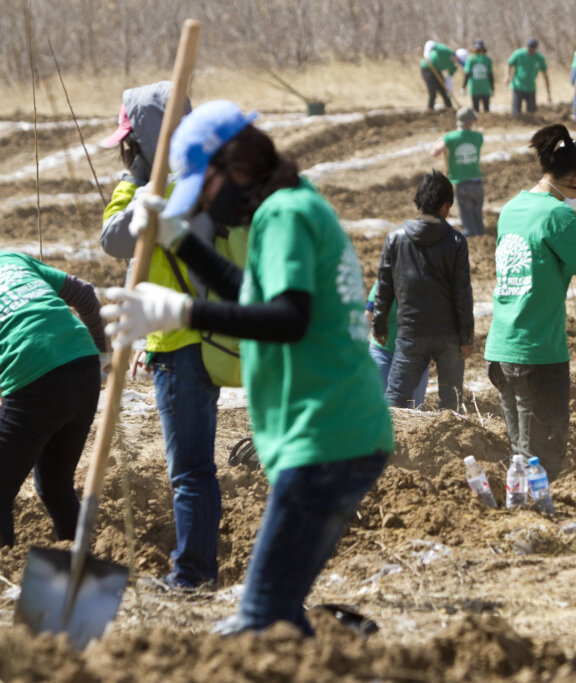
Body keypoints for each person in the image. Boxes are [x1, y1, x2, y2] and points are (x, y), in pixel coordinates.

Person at [101, 100, 393, 636]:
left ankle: (338, 652)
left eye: (205, 194)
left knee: (258, 623)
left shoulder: (285, 214)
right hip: (336, 435)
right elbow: (251, 294)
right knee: (274, 616)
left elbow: (288, 319)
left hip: (325, 439)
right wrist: (177, 241)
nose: (208, 210)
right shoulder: (294, 207)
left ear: (235, 171)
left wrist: (180, 309)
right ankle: (340, 650)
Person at [99, 81, 229, 591]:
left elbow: (113, 239)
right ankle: (198, 570)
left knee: (190, 471)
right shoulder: (204, 186)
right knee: (198, 467)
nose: (123, 152)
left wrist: (140, 190)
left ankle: (192, 577)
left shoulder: (161, 193)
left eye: (129, 144)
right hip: (198, 342)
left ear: (143, 142)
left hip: (179, 347)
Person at [484, 124, 576, 479]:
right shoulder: (560, 215)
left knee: (520, 456)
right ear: (575, 178)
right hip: (538, 355)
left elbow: (546, 259)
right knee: (544, 461)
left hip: (501, 351)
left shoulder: (512, 209)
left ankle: (516, 517)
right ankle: (536, 523)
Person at [0, 253, 106, 548]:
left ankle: (3, 581)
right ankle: (78, 574)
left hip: (36, 379)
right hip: (83, 365)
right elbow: (85, 294)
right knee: (56, 487)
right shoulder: (11, 258)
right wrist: (102, 352)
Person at [373, 171, 474, 412]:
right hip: (449, 335)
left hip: (411, 333)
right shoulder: (456, 241)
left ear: (419, 202)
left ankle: (394, 449)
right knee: (451, 403)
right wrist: (466, 336)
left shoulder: (395, 239)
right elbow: (462, 292)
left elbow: (384, 286)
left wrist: (379, 324)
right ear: (446, 205)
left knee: (395, 403)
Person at [365, 281, 429, 408]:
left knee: (414, 410)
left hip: (415, 355)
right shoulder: (384, 282)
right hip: (383, 352)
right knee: (379, 406)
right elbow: (369, 315)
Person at [431, 106, 485, 237]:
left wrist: (440, 140)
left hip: (461, 184)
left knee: (467, 219)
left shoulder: (450, 138)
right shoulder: (478, 137)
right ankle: (481, 235)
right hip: (477, 183)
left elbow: (434, 152)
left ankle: (471, 239)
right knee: (477, 215)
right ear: (471, 122)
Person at [506, 37, 551, 116]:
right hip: (518, 86)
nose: (530, 50)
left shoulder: (539, 58)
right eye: (529, 48)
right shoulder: (518, 54)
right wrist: (507, 76)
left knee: (531, 112)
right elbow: (508, 64)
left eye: (532, 49)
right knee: (516, 113)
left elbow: (545, 75)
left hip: (531, 87)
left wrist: (548, 94)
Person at [421, 40, 459, 110]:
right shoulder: (446, 51)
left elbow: (449, 78)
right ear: (455, 56)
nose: (458, 62)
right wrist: (427, 55)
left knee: (444, 91)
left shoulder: (455, 66)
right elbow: (430, 43)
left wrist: (449, 90)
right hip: (427, 67)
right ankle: (430, 110)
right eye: (458, 60)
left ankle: (449, 109)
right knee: (433, 93)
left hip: (437, 71)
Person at [463, 39, 494, 113]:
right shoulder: (471, 59)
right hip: (475, 88)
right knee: (476, 109)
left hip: (485, 88)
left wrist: (492, 88)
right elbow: (467, 74)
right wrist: (463, 86)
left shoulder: (487, 60)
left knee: (486, 109)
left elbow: (490, 75)